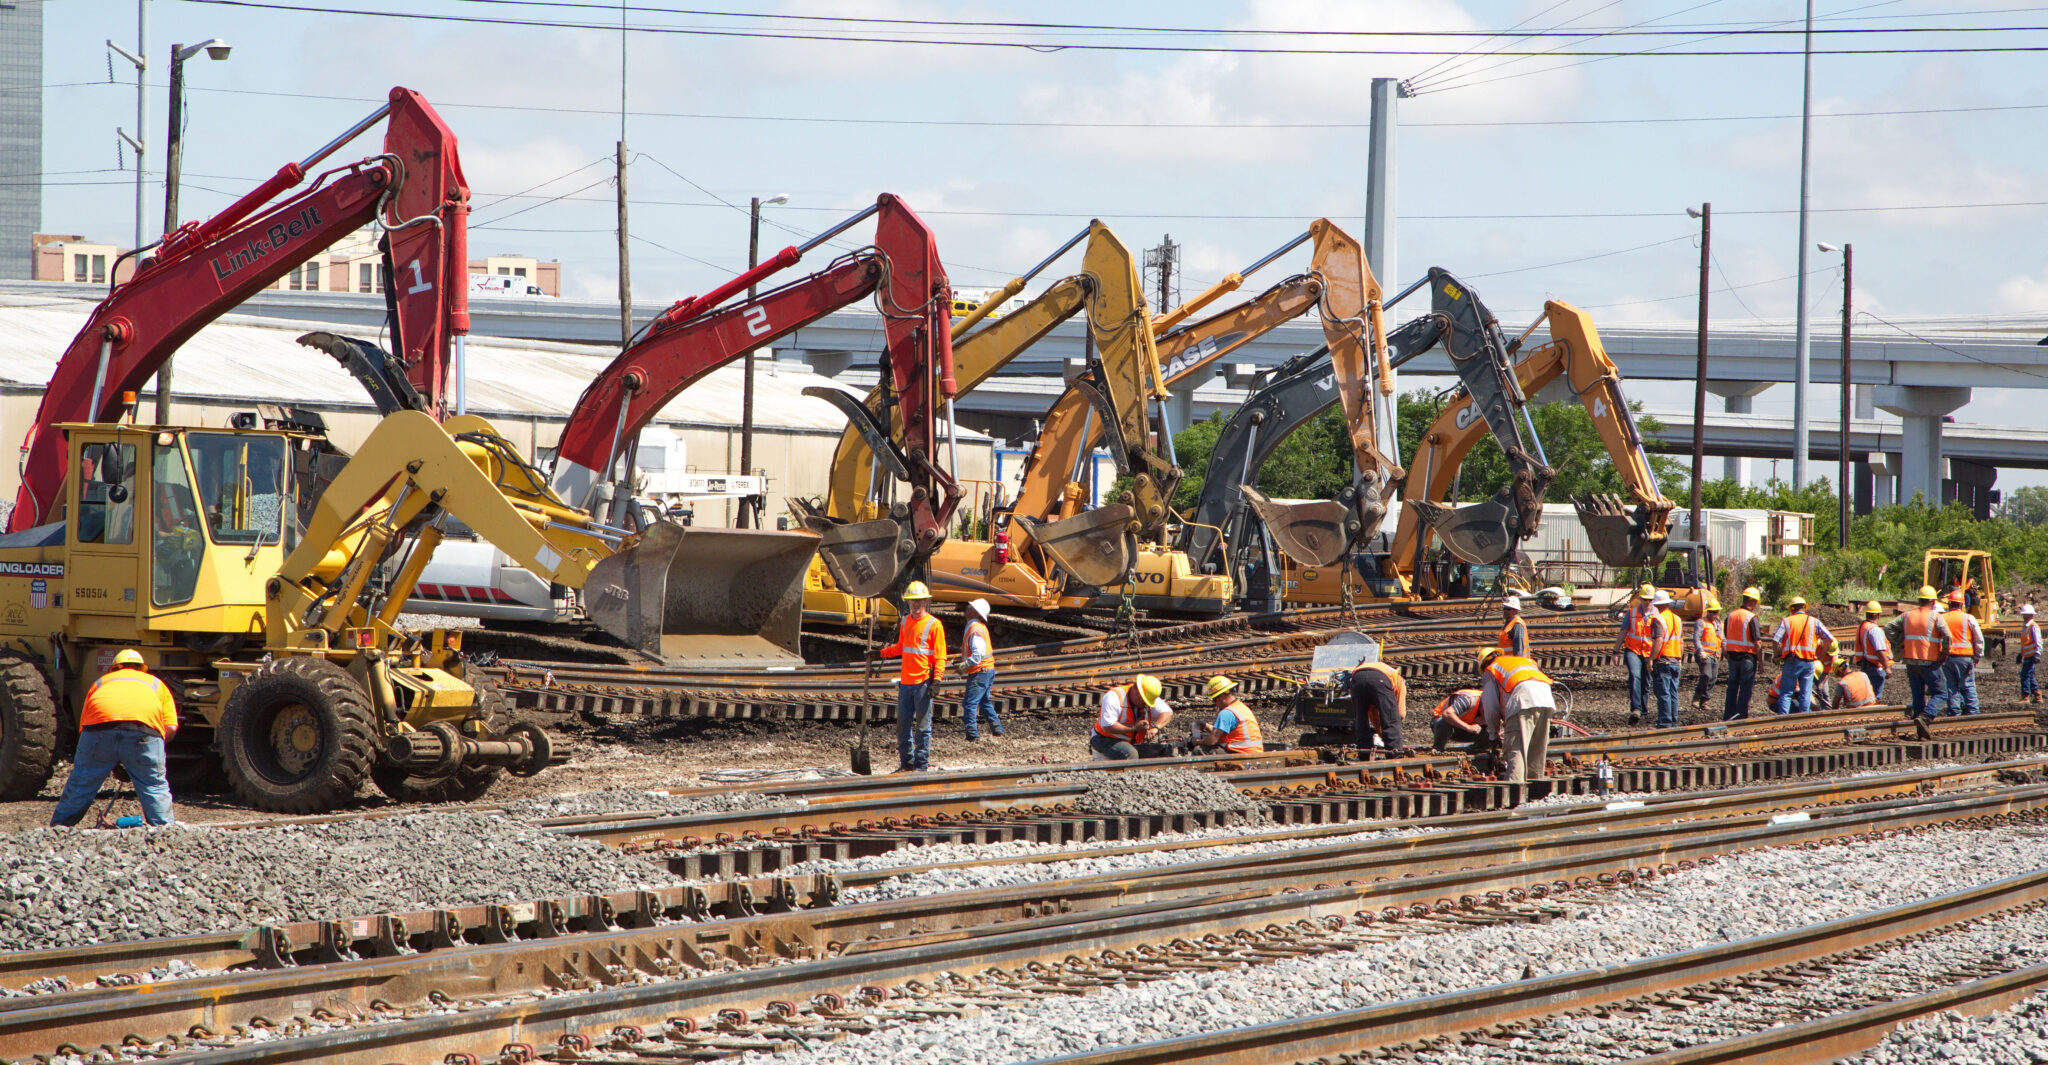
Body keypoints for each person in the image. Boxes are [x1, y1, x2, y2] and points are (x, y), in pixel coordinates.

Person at [50, 649, 178, 827]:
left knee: (81, 782)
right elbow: (170, 727)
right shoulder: (157, 684)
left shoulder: (101, 682)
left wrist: (112, 756)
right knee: (153, 785)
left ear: (115, 668)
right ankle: (164, 829)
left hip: (98, 731)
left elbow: (84, 726)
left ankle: (59, 828)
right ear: (142, 668)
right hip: (143, 733)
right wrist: (141, 756)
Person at [880, 581, 946, 773]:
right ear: (908, 602)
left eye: (919, 601)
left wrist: (937, 680)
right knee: (903, 726)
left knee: (923, 728)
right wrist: (881, 653)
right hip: (906, 683)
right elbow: (901, 647)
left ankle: (921, 766)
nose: (916, 604)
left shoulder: (934, 625)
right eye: (912, 601)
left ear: (925, 602)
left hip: (923, 683)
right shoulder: (905, 622)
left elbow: (940, 656)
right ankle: (906, 763)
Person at [1477, 647, 1557, 786]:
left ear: (1484, 664)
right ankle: (1536, 790)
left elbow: (1491, 707)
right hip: (1546, 699)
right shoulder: (1523, 661)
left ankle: (1515, 789)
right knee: (1536, 751)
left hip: (1522, 701)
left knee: (1516, 749)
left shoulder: (1491, 670)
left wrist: (1493, 734)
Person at [1884, 585, 1947, 738]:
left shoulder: (1907, 616)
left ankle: (1921, 732)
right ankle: (1925, 718)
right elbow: (1948, 636)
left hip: (1911, 661)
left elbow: (1888, 627)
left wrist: (1899, 643)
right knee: (1941, 693)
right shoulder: (1936, 616)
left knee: (1918, 695)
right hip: (1929, 661)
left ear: (1919, 600)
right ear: (1933, 602)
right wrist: (1944, 654)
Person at [1770, 596, 1835, 714]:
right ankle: (1804, 720)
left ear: (1791, 609)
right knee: (1805, 693)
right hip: (1809, 662)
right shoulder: (1814, 621)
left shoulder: (1787, 621)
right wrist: (1820, 655)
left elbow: (1775, 640)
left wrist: (1777, 655)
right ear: (1805, 608)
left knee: (1786, 693)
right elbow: (1829, 639)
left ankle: (1783, 719)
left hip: (1791, 661)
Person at [1613, 583, 1665, 726]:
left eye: (1650, 600)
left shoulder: (1657, 615)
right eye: (1645, 599)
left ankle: (1643, 709)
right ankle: (1635, 709)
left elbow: (1659, 637)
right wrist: (1616, 650)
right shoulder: (1631, 613)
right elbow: (1623, 632)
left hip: (1648, 653)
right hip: (1633, 650)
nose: (1647, 602)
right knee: (1635, 676)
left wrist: (1653, 657)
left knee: (1646, 682)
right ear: (1640, 599)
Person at [1092, 674, 1173, 760]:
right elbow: (1107, 726)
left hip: (1132, 742)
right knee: (1131, 753)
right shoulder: (1114, 696)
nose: (1146, 704)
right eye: (1144, 701)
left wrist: (1156, 727)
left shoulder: (1147, 697)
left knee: (1157, 752)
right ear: (1136, 691)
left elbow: (1168, 713)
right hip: (1105, 739)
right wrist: (1133, 727)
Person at [958, 598, 1003, 740]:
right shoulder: (978, 627)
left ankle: (972, 735)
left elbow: (978, 655)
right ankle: (997, 729)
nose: (967, 608)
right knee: (984, 702)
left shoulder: (974, 628)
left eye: (970, 607)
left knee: (969, 703)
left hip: (980, 671)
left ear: (975, 612)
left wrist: (965, 665)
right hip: (987, 670)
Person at [1347, 659, 1409, 756]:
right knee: (1391, 719)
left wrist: (1380, 733)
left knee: (1361, 720)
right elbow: (1400, 714)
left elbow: (1373, 715)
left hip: (1357, 678)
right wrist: (1391, 733)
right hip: (1379, 678)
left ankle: (1364, 754)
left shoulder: (1386, 674)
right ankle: (1394, 754)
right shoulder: (1400, 681)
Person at [1940, 591, 1984, 717]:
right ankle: (1973, 711)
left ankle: (1954, 712)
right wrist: (1977, 655)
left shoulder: (1942, 618)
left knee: (1951, 686)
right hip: (1965, 657)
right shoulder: (1968, 618)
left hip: (1947, 657)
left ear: (1949, 603)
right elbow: (1978, 639)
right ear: (1961, 604)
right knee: (1968, 685)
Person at [1722, 587, 1763, 721]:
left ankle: (1728, 716)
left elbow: (1727, 635)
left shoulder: (1730, 615)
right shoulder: (1751, 617)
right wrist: (1761, 662)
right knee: (1745, 689)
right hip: (1747, 658)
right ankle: (1741, 717)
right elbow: (1757, 642)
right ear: (1752, 602)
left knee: (1732, 687)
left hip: (1732, 658)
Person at [1194, 675, 1263, 754]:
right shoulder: (1241, 707)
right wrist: (1206, 726)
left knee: (1199, 750)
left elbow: (1212, 740)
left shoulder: (1226, 713)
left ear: (1221, 697)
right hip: (1254, 752)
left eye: (1214, 700)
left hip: (1240, 754)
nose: (1216, 704)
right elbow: (1221, 731)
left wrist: (1198, 742)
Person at [1651, 590, 1685, 727]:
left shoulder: (1658, 619)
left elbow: (1659, 640)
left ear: (1657, 605)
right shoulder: (1677, 619)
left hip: (1663, 660)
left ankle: (1665, 723)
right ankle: (1673, 721)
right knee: (1673, 692)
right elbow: (1681, 641)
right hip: (1675, 659)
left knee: (1664, 693)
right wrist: (1680, 659)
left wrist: (1651, 659)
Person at [1852, 601, 1893, 702]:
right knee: (1874, 696)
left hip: (1866, 664)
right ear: (1878, 615)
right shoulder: (1875, 630)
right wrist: (1887, 667)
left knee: (1868, 695)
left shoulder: (1862, 626)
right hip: (1875, 667)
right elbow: (1880, 651)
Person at [1691, 596, 1723, 715]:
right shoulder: (1701, 622)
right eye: (1711, 612)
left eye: (1715, 612)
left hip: (1715, 654)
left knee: (1713, 678)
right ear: (1707, 611)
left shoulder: (1719, 624)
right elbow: (1696, 638)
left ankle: (1704, 700)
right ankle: (1697, 696)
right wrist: (1700, 651)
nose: (1713, 614)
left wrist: (1726, 651)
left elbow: (1722, 639)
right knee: (1706, 675)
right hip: (1704, 654)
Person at [1430, 686, 1486, 753]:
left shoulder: (1494, 703)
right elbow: (1447, 714)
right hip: (1443, 726)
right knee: (1443, 722)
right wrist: (1468, 727)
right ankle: (1438, 749)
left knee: (1492, 732)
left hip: (1466, 729)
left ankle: (1475, 750)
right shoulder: (1469, 699)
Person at [2020, 604, 2042, 706]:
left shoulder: (2033, 626)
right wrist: (2021, 654)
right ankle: (2037, 695)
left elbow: (2038, 641)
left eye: (2026, 615)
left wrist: (2037, 654)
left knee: (2025, 675)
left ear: (2031, 615)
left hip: (2032, 656)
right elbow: (2025, 643)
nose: (2024, 617)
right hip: (2027, 656)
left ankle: (2026, 696)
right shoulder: (2025, 627)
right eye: (2023, 615)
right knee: (2029, 675)